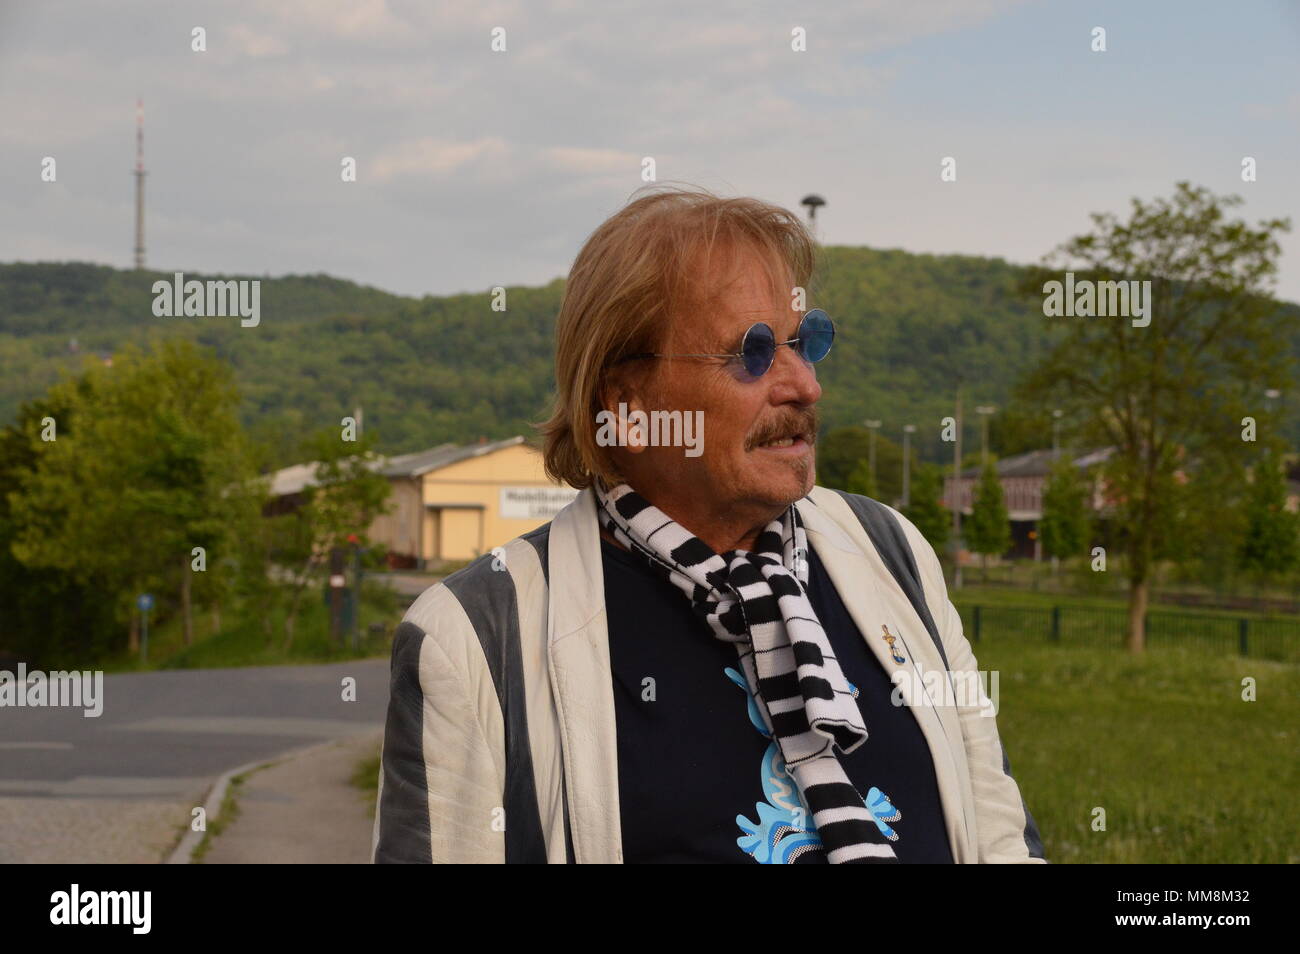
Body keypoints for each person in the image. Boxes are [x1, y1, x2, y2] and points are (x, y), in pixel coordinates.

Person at [373, 186, 1045, 864]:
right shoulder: (476, 638)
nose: (803, 385)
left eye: (805, 342)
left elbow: (998, 831)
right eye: (752, 354)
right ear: (626, 401)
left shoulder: (891, 552)